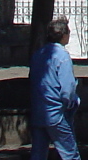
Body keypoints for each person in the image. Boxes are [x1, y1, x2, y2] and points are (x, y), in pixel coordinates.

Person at [29, 17, 80, 160]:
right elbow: (67, 88)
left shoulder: (38, 54)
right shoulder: (62, 56)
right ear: (63, 35)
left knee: (38, 155)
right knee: (70, 154)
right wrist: (71, 103)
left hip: (39, 112)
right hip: (56, 113)